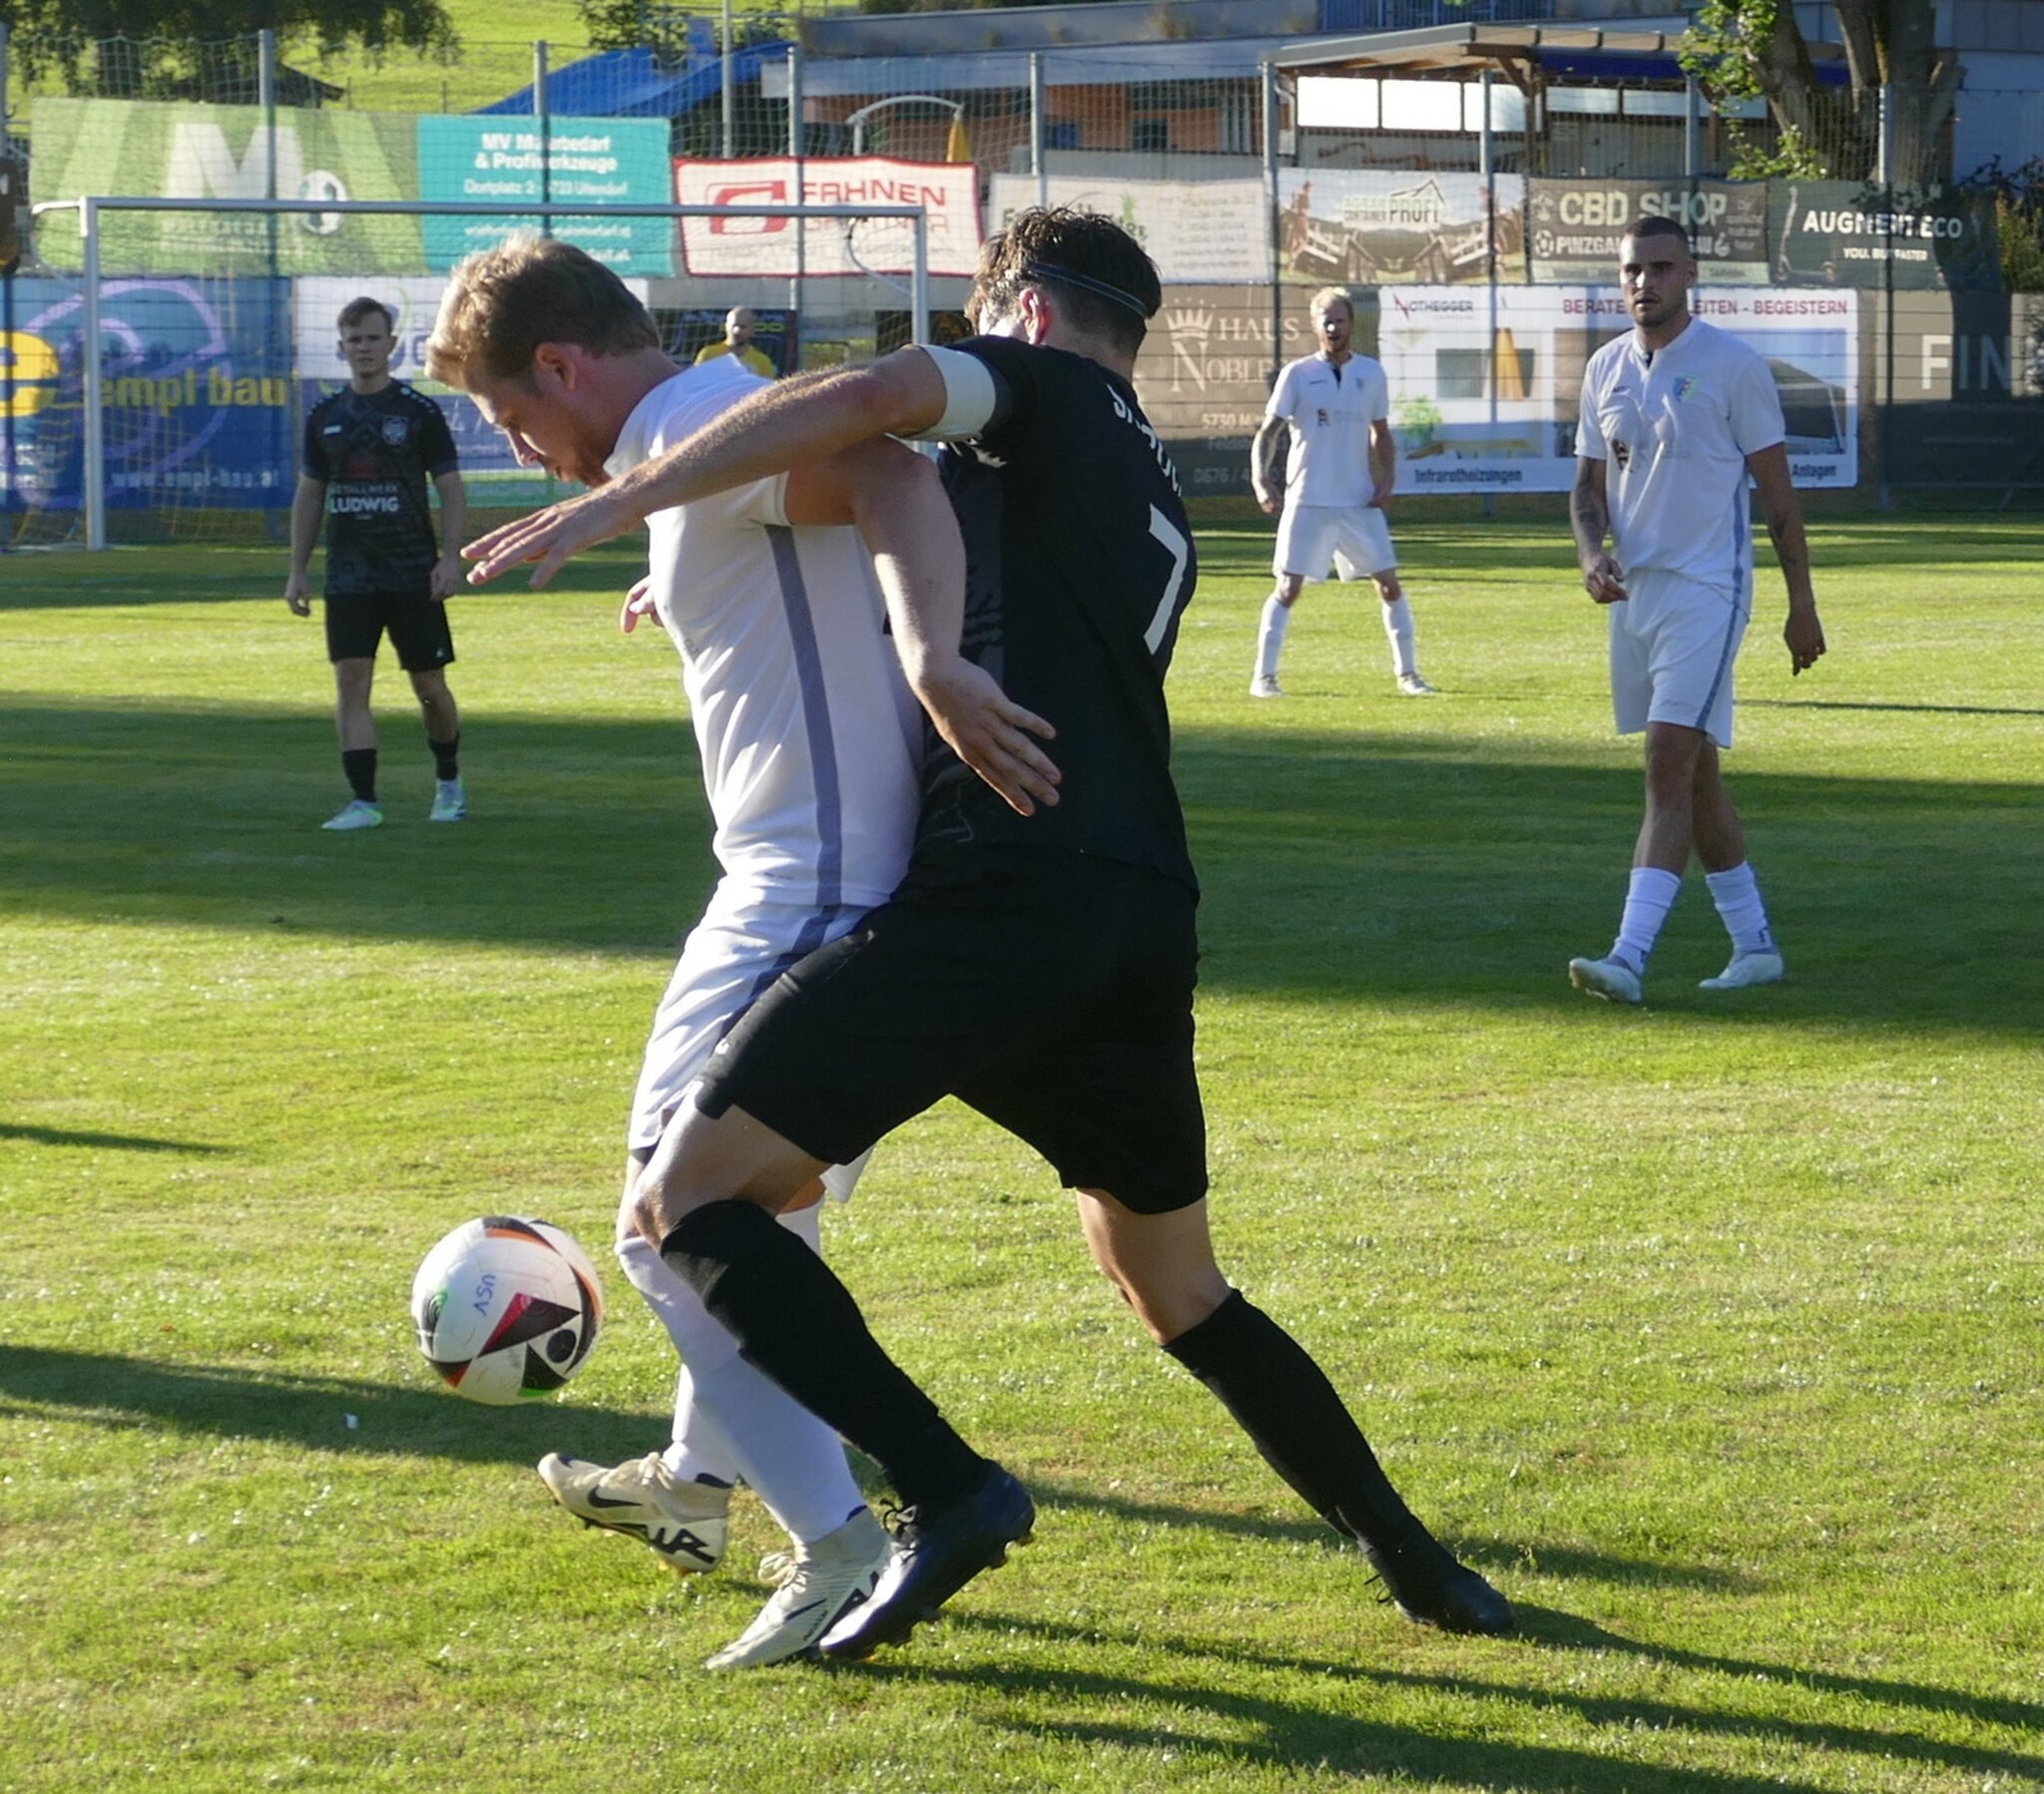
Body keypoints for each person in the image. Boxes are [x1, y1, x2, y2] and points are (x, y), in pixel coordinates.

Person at [463, 209, 1513, 1660]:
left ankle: (931, 1498)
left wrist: (625, 498)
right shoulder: (1139, 474)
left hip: (999, 897)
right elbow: (893, 510)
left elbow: (879, 416)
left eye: (977, 319)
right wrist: (692, 541)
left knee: (684, 1203)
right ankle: (1423, 1566)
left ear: (1020, 311)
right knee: (1177, 1288)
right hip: (1139, 900)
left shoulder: (1041, 387)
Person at [423, 236, 980, 1666]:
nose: (529, 452)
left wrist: (932, 655)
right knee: (755, 1220)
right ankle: (699, 1480)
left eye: (511, 418)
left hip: (809, 881)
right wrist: (692, 580)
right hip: (825, 869)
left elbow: (891, 474)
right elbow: (809, 517)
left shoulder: (681, 427)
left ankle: (839, 1538)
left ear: (561, 365)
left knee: (662, 1221)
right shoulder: (710, 428)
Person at [1567, 217, 1827, 1005]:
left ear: (1690, 275)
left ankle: (1629, 956)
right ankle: (1754, 946)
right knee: (1699, 777)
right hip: (1635, 596)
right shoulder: (1606, 368)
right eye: (1630, 270)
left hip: (1710, 590)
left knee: (1666, 763)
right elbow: (1585, 490)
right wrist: (1590, 556)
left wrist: (1801, 606)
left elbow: (1779, 498)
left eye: (1659, 268)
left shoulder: (1733, 366)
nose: (1642, 282)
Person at [287, 296, 469, 830]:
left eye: (372, 338)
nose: (363, 349)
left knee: (429, 688)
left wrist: (449, 559)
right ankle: (364, 801)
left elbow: (452, 489)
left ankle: (449, 781)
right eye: (354, 340)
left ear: (391, 345)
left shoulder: (418, 412)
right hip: (349, 577)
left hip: (412, 573)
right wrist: (297, 569)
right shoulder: (325, 417)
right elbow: (309, 495)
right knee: (351, 684)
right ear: (340, 348)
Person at [1249, 286, 1436, 701]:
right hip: (1308, 499)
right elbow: (1269, 432)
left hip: (1357, 500)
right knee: (1287, 588)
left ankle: (1408, 674)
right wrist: (1261, 480)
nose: (1334, 328)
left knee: (1388, 584)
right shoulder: (1297, 374)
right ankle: (1264, 678)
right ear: (1315, 326)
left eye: (1341, 320)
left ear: (1352, 324)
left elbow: (1381, 433)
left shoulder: (1371, 374)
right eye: (1326, 320)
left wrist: (1387, 479)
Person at [693, 306, 776, 380]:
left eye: (742, 327)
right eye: (734, 326)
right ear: (726, 327)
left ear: (752, 330)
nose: (737, 331)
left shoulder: (762, 362)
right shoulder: (708, 355)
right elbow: (695, 382)